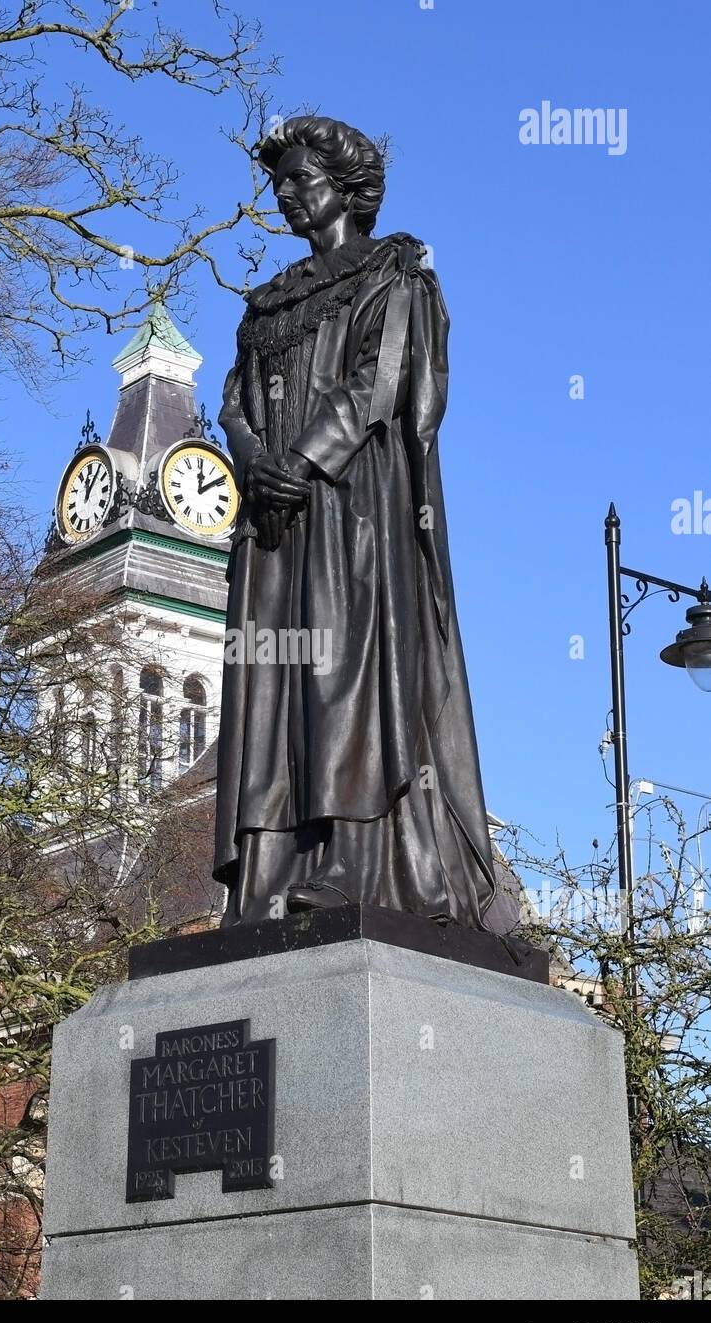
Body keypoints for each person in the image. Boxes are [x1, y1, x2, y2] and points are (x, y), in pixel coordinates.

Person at [213, 115, 495, 930]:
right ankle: (263, 881)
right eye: (280, 182)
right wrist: (251, 457)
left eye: (301, 179)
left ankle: (349, 867)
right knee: (268, 692)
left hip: (347, 508)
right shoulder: (266, 304)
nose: (286, 194)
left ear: (349, 187)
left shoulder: (394, 274)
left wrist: (300, 460)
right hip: (272, 519)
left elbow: (382, 382)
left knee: (341, 680)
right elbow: (233, 400)